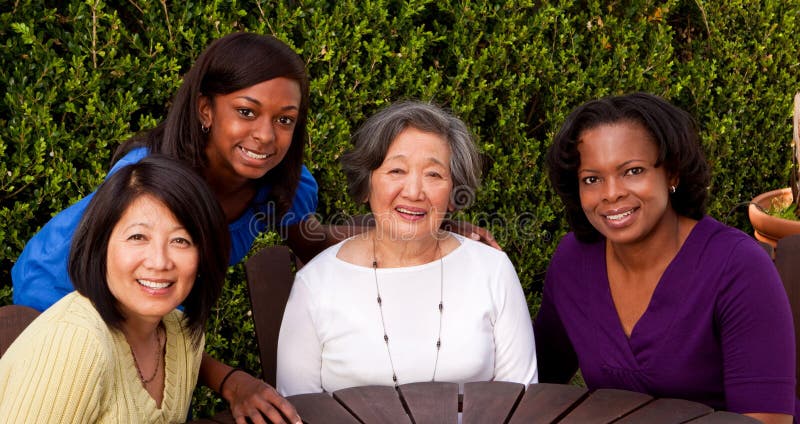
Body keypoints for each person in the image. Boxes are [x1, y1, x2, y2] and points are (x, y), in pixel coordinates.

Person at [10, 32, 495, 420]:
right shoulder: (150, 182)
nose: (265, 135)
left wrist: (433, 233)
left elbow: (315, 245)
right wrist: (232, 379)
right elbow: (133, 315)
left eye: (285, 119)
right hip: (55, 301)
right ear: (205, 109)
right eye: (246, 112)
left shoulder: (275, 188)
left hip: (150, 329)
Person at [536, 92, 797, 423]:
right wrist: (458, 241)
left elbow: (764, 421)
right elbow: (534, 377)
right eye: (592, 179)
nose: (611, 192)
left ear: (672, 173)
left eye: (632, 171)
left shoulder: (737, 268)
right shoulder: (573, 262)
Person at [0, 155, 290, 423]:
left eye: (181, 241)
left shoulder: (181, 335)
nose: (160, 261)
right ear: (101, 247)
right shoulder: (76, 343)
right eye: (138, 236)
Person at [276, 101, 537, 396]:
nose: (413, 192)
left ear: (454, 193)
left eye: (434, 175)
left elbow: (521, 398)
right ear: (366, 184)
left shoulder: (492, 270)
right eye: (396, 170)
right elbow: (297, 408)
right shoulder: (316, 283)